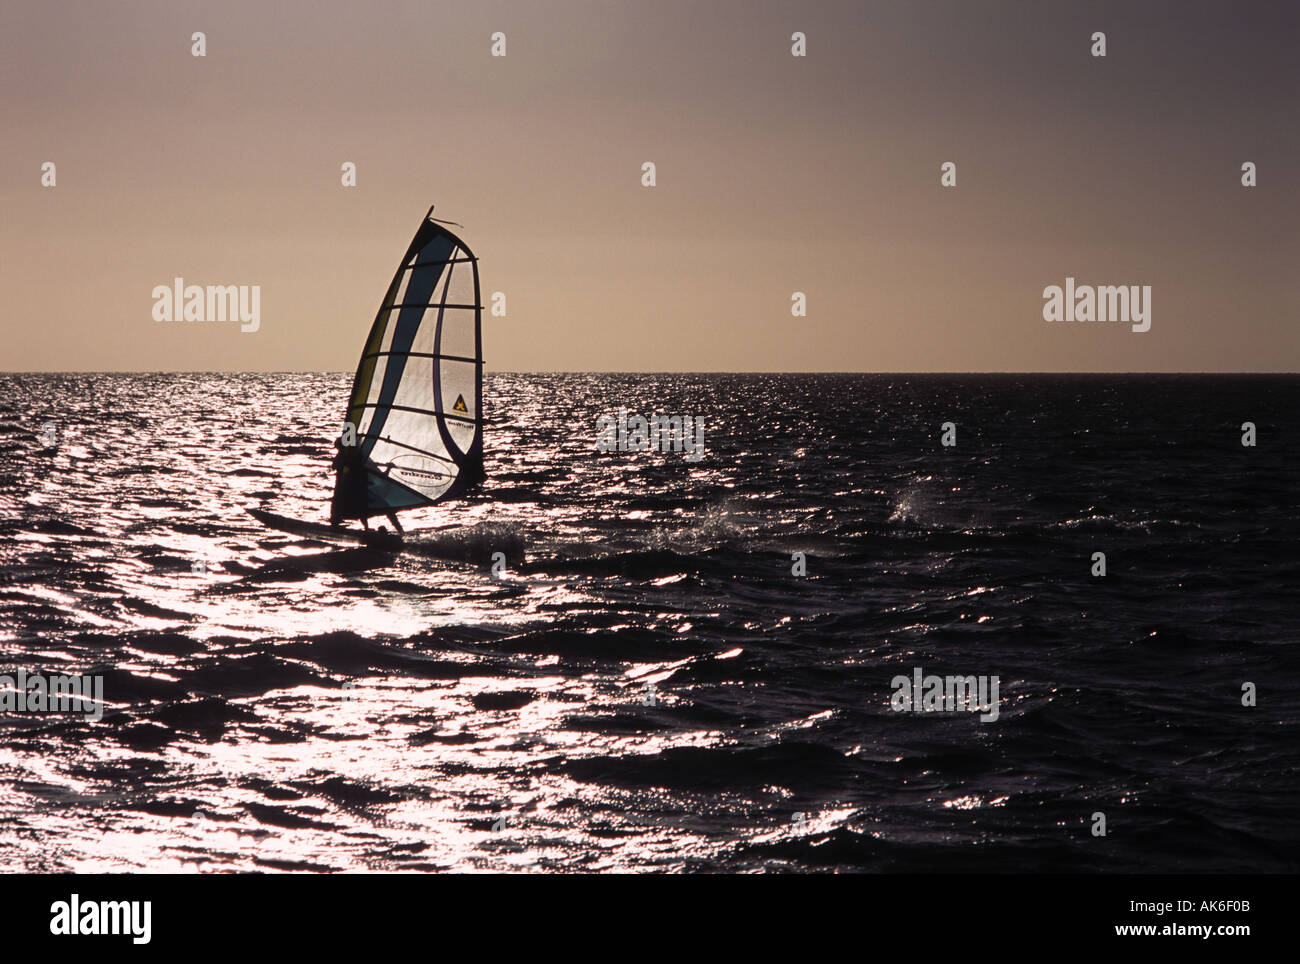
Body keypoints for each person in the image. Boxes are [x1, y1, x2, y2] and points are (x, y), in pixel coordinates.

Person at [329, 438, 403, 534]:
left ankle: (400, 531)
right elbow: (336, 466)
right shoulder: (343, 457)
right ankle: (362, 528)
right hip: (350, 491)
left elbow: (381, 476)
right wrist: (346, 466)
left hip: (361, 490)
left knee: (386, 508)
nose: (339, 450)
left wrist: (388, 468)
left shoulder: (361, 458)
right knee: (356, 506)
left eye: (340, 448)